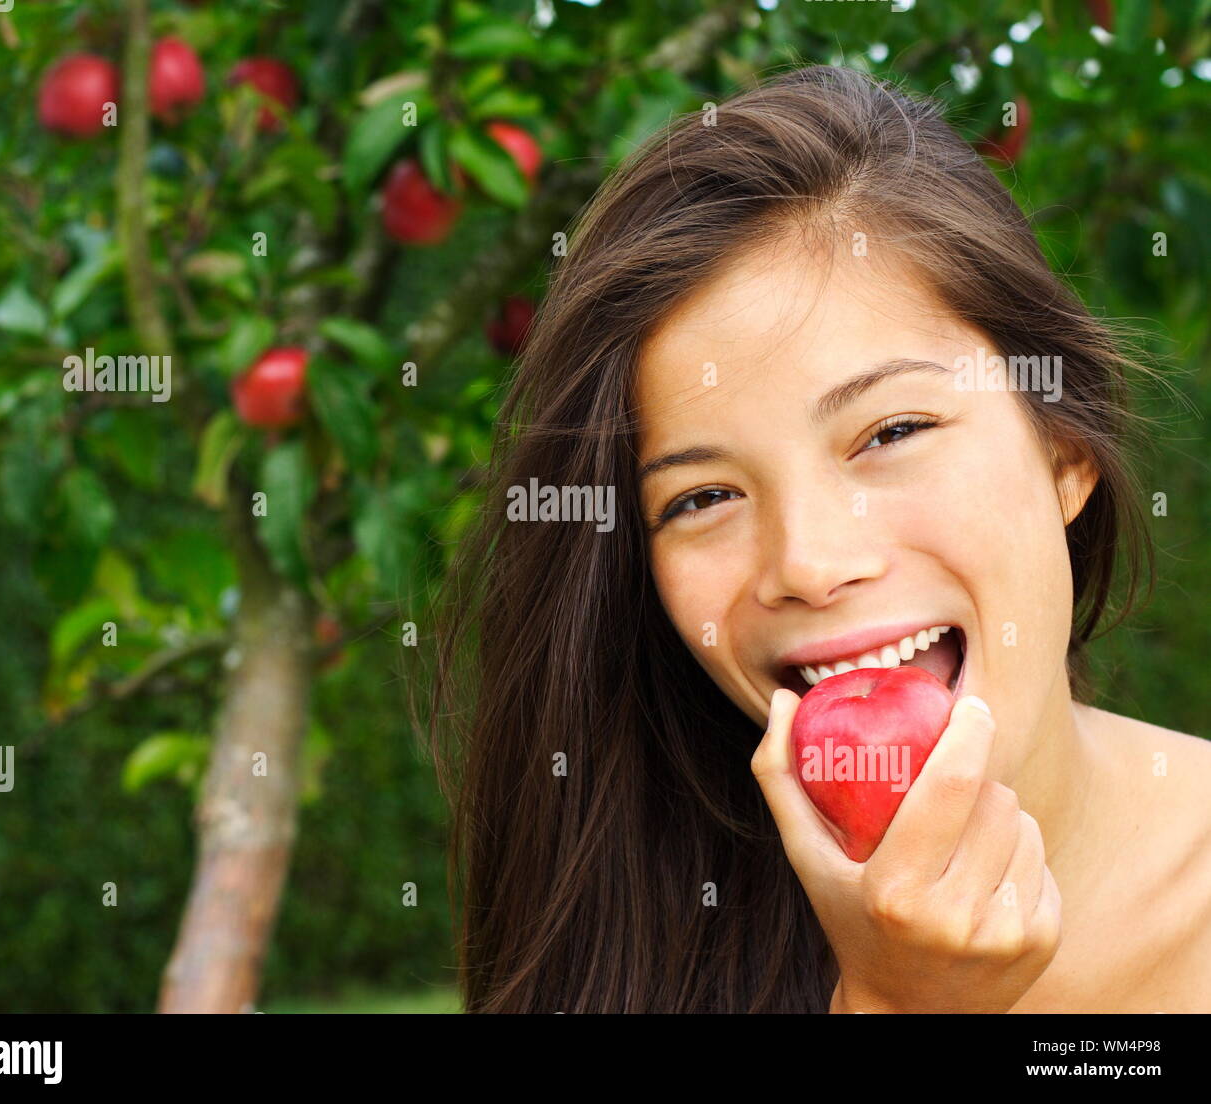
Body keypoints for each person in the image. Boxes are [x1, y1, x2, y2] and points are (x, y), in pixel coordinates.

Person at [424, 65, 1210, 1013]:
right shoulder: (622, 926)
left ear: (1065, 452)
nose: (809, 564)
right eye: (704, 496)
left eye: (891, 433)